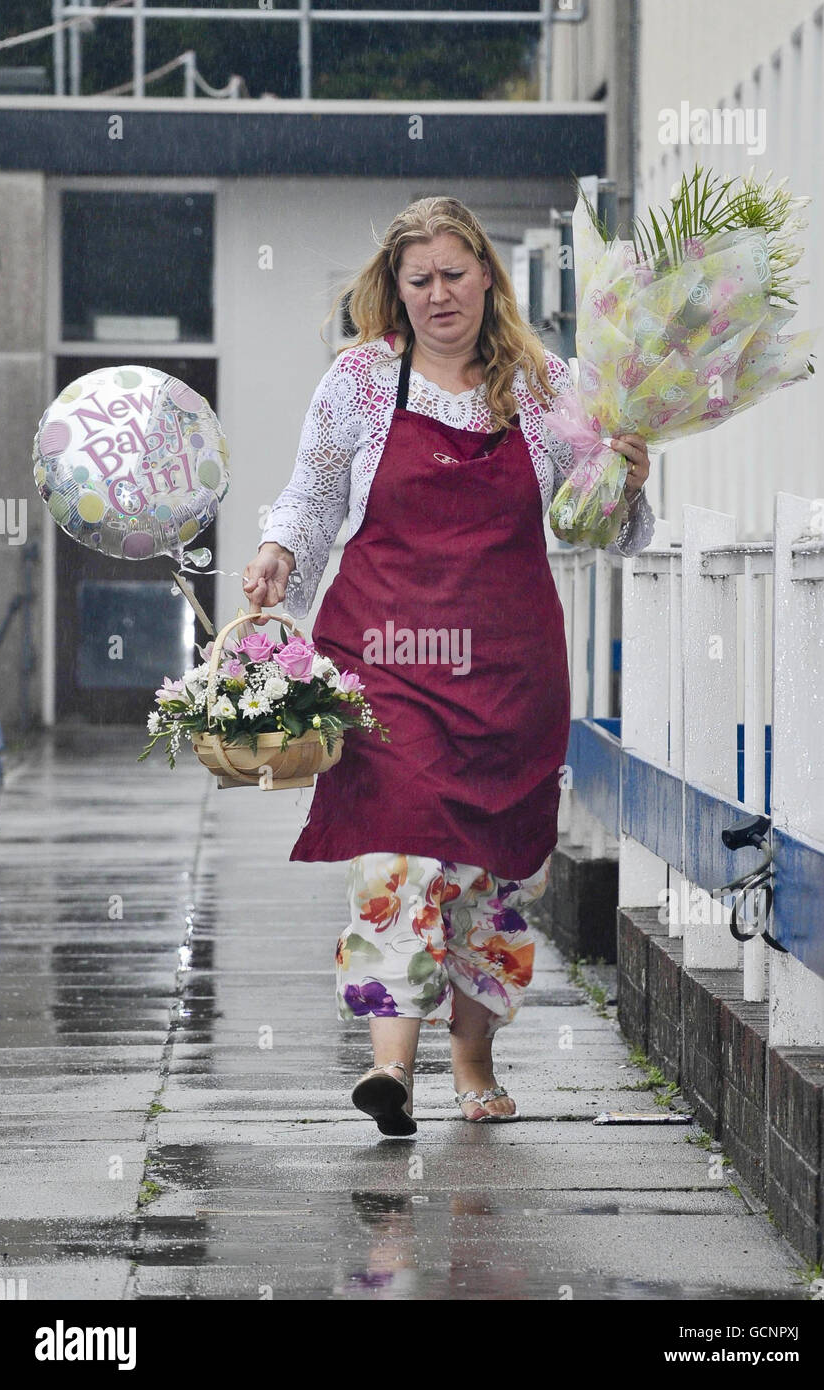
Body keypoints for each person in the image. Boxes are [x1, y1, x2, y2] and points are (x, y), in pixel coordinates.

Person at [241, 196, 654, 1136]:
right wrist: (276, 555)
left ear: (488, 279)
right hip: (382, 665)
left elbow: (595, 529)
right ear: (392, 290)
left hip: (509, 673)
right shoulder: (357, 380)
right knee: (395, 852)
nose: (438, 295)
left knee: (487, 876)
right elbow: (311, 495)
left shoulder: (549, 388)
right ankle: (394, 1069)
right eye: (417, 279)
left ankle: (473, 1059)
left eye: (454, 274)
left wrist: (625, 475)